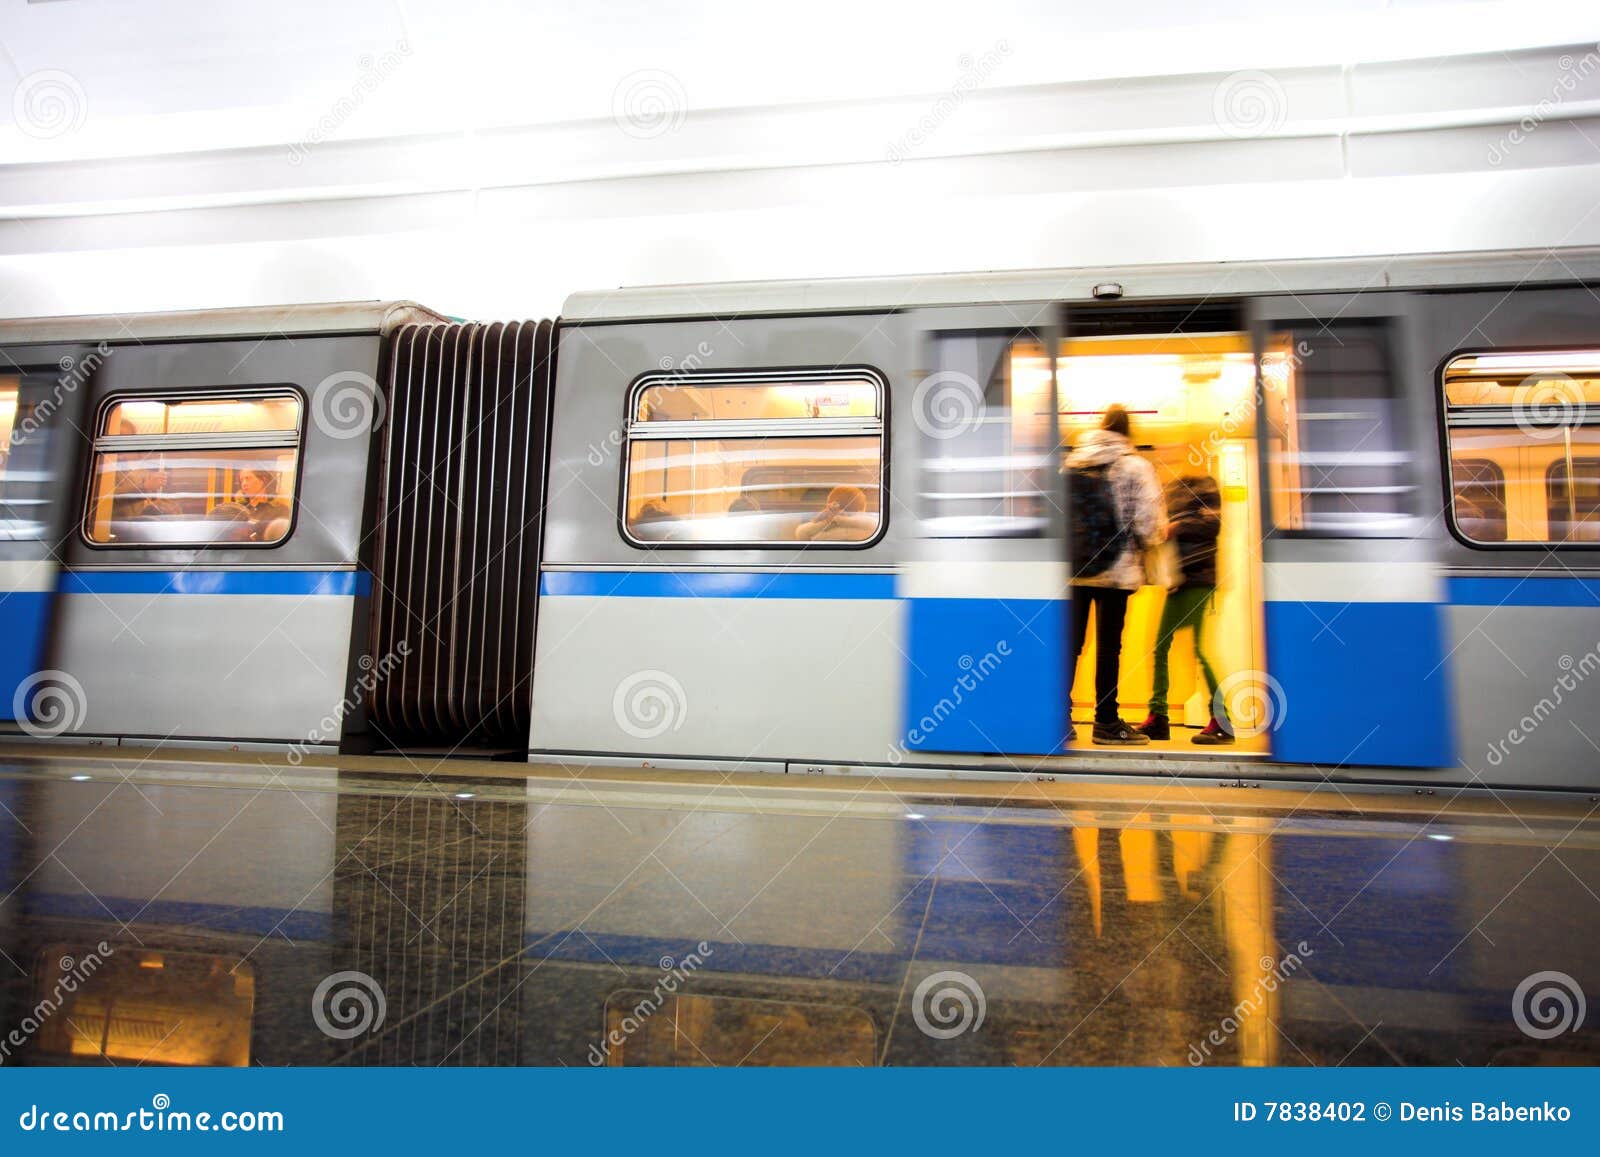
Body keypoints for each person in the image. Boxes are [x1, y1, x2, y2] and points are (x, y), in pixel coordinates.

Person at [1066, 405, 1165, 745]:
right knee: (1109, 648)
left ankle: (1058, 717)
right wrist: (1149, 543)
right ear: (1127, 431)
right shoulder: (1136, 466)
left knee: (1071, 645)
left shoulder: (1073, 462)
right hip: (1116, 570)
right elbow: (1149, 526)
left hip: (1075, 569)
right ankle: (1106, 722)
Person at [1137, 475, 1234, 745]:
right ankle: (1158, 717)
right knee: (1160, 646)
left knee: (1201, 649)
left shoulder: (1205, 486)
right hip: (1179, 581)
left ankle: (1223, 722)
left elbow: (1212, 525)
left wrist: (1177, 525)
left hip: (1200, 579)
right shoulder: (1172, 488)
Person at [796, 485, 875, 542]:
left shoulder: (818, 536)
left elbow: (801, 533)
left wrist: (824, 520)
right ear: (862, 508)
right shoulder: (872, 532)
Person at [238, 466, 290, 542]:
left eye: (248, 478)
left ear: (263, 480)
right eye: (241, 480)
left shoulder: (280, 510)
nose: (244, 484)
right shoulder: (239, 508)